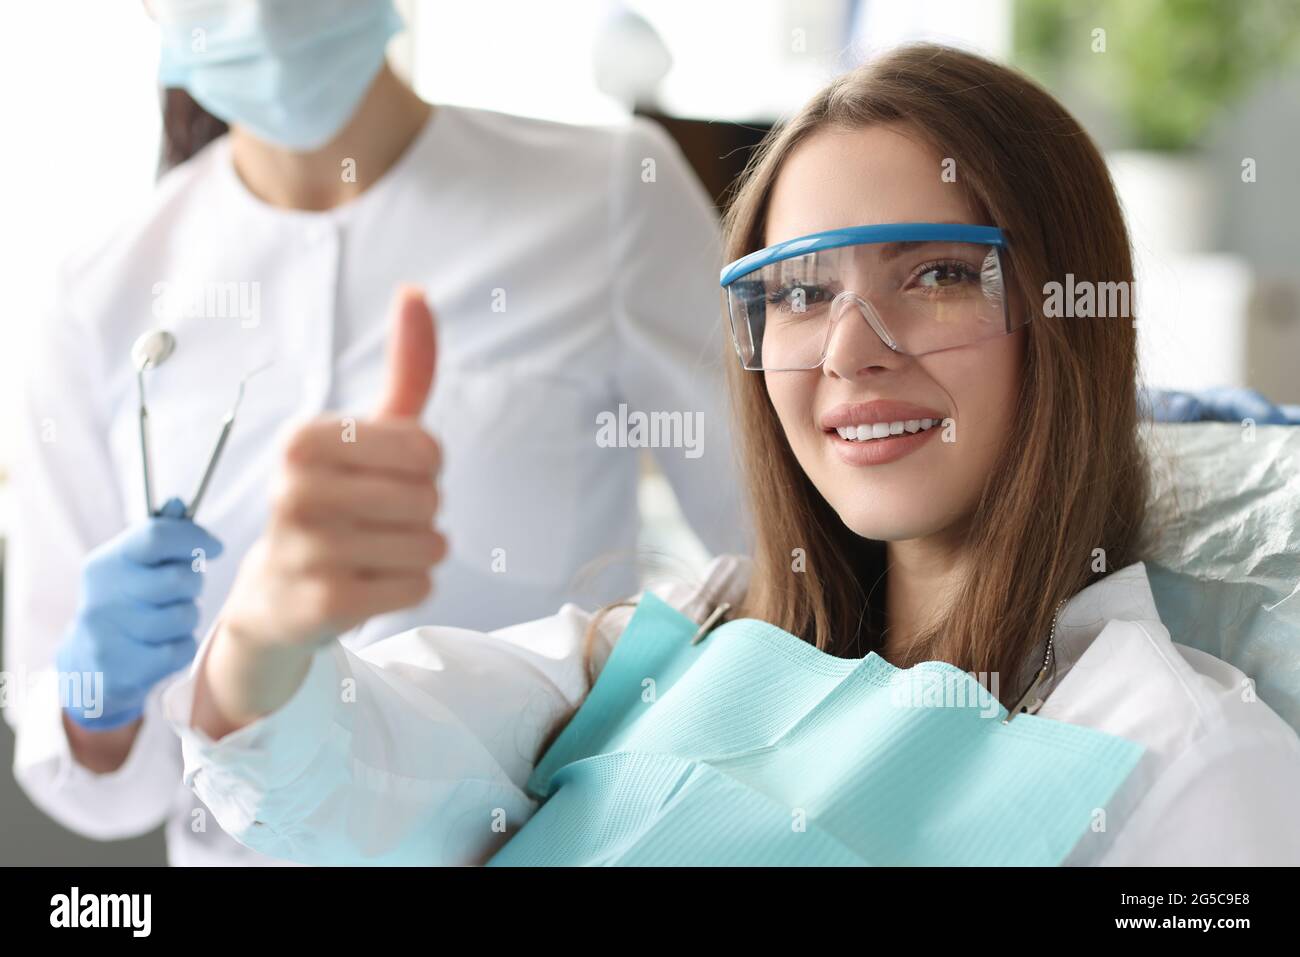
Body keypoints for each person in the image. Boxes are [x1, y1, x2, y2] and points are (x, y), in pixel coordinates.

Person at [160, 43, 1300, 866]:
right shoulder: (668, 647)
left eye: (938, 275)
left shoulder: (1178, 759)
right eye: (799, 293)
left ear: (1070, 311)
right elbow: (332, 781)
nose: (848, 354)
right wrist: (269, 630)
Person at [3, 0, 746, 866]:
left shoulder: (609, 192)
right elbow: (90, 777)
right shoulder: (97, 293)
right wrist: (99, 703)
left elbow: (789, 544)